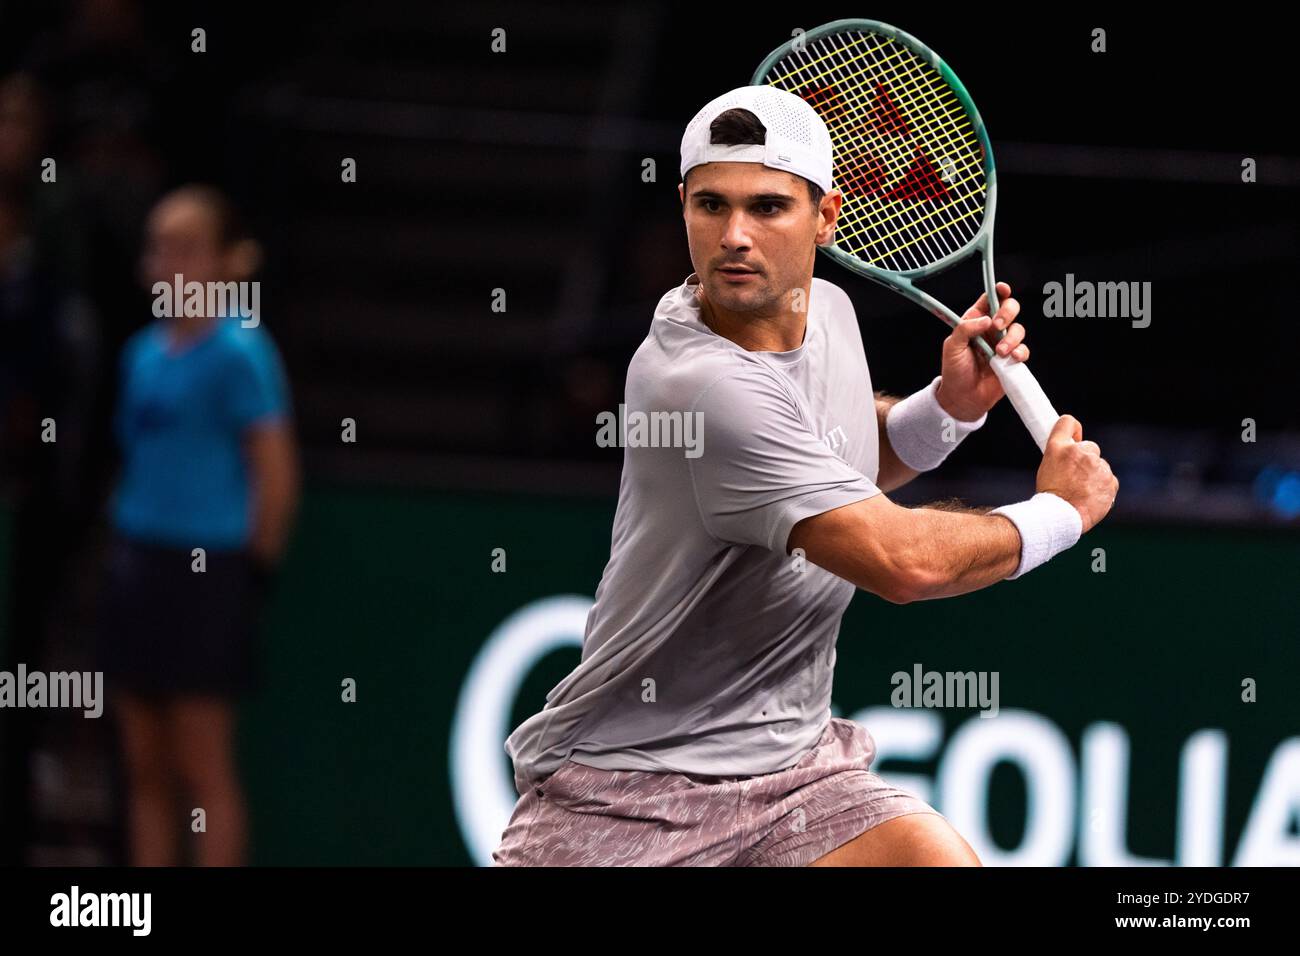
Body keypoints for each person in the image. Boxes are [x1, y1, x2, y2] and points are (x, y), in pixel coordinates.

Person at [493, 86, 1116, 867]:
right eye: (711, 205)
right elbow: (902, 561)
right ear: (682, 205)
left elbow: (839, 461)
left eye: (768, 207)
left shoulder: (828, 311)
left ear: (826, 218)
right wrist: (1061, 512)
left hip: (791, 776)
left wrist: (948, 407)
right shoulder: (699, 384)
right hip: (631, 797)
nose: (734, 237)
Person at [99, 185, 299, 865]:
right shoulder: (140, 356)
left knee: (200, 768)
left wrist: (249, 575)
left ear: (223, 260)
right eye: (160, 246)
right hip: (137, 566)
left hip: (206, 574)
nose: (171, 262)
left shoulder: (243, 354)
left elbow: (275, 477)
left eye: (188, 247)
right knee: (144, 768)